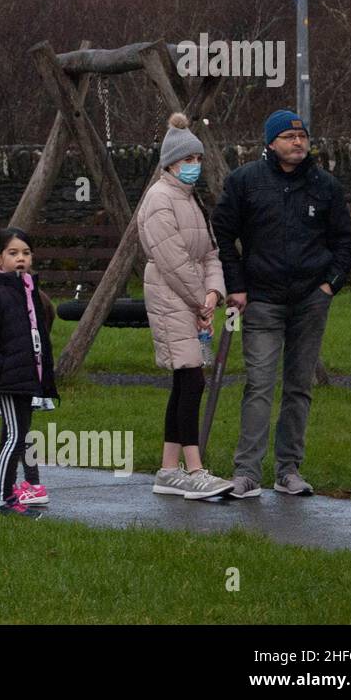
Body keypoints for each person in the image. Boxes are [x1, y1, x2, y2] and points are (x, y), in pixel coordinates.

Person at [213, 109, 351, 498]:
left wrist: (330, 286)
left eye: (303, 136)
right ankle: (246, 472)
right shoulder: (245, 182)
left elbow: (344, 242)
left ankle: (288, 470)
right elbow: (223, 235)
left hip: (311, 298)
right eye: (290, 137)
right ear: (271, 143)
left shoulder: (324, 185)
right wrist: (236, 285)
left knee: (299, 386)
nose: (298, 142)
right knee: (259, 384)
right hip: (261, 298)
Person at [138, 114, 233, 501]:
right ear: (171, 164)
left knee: (184, 381)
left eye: (198, 159)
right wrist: (200, 300)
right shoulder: (160, 199)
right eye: (188, 160)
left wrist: (212, 294)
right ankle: (193, 470)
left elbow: (210, 253)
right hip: (169, 296)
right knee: (191, 380)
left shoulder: (191, 200)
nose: (195, 166)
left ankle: (167, 469)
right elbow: (172, 259)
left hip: (191, 298)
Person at [0, 229, 58, 518]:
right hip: (8, 378)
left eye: (25, 253)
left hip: (26, 377)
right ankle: (1, 502)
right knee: (15, 437)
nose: (21, 258)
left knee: (17, 435)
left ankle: (7, 497)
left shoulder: (29, 292)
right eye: (13, 253)